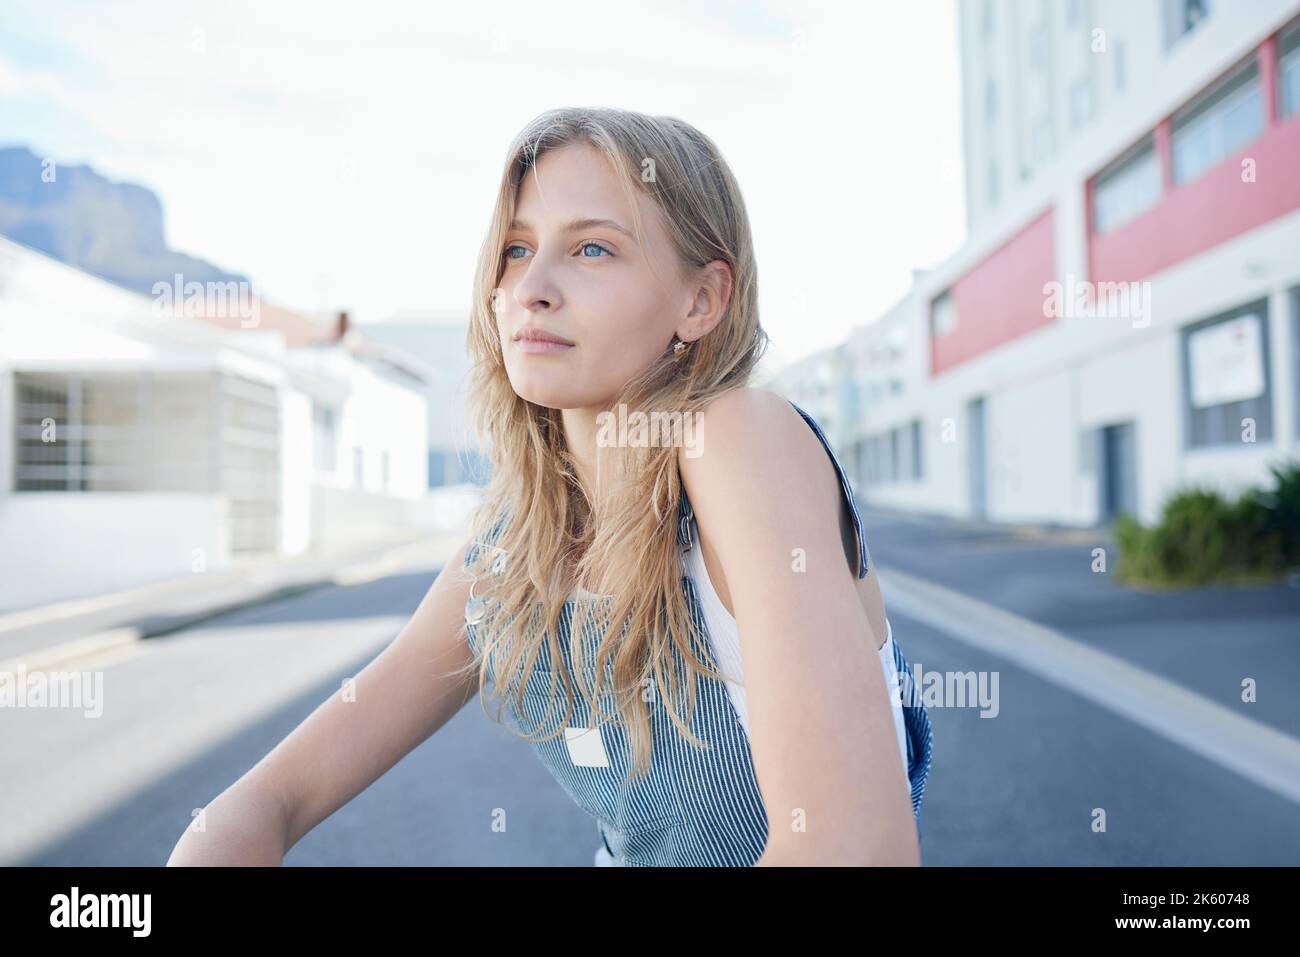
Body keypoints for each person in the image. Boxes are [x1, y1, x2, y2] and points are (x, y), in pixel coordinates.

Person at [167, 106, 933, 868]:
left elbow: (852, 846)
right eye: (516, 249)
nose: (531, 286)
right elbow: (275, 796)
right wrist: (226, 835)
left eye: (592, 248)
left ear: (701, 300)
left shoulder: (738, 437)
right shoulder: (516, 534)